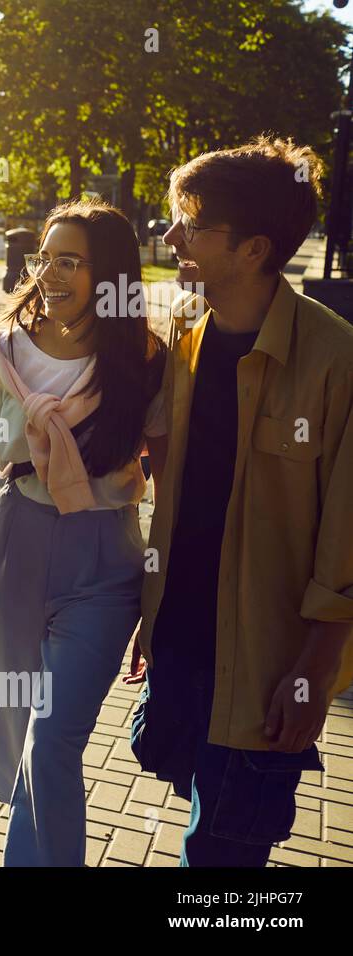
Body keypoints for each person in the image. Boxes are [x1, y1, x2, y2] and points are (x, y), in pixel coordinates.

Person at [128, 137, 353, 867]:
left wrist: (314, 673)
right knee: (202, 810)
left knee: (224, 851)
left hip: (266, 660)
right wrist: (151, 612)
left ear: (254, 249)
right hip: (184, 639)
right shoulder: (185, 336)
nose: (170, 237)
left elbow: (346, 543)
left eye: (190, 224)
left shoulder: (335, 360)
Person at [0, 199, 169, 865]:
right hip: (14, 549)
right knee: (20, 739)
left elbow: (170, 483)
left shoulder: (145, 358)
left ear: (109, 274)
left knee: (52, 746)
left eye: (70, 260)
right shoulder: (4, 356)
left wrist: (159, 596)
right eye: (45, 257)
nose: (50, 272)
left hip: (106, 562)